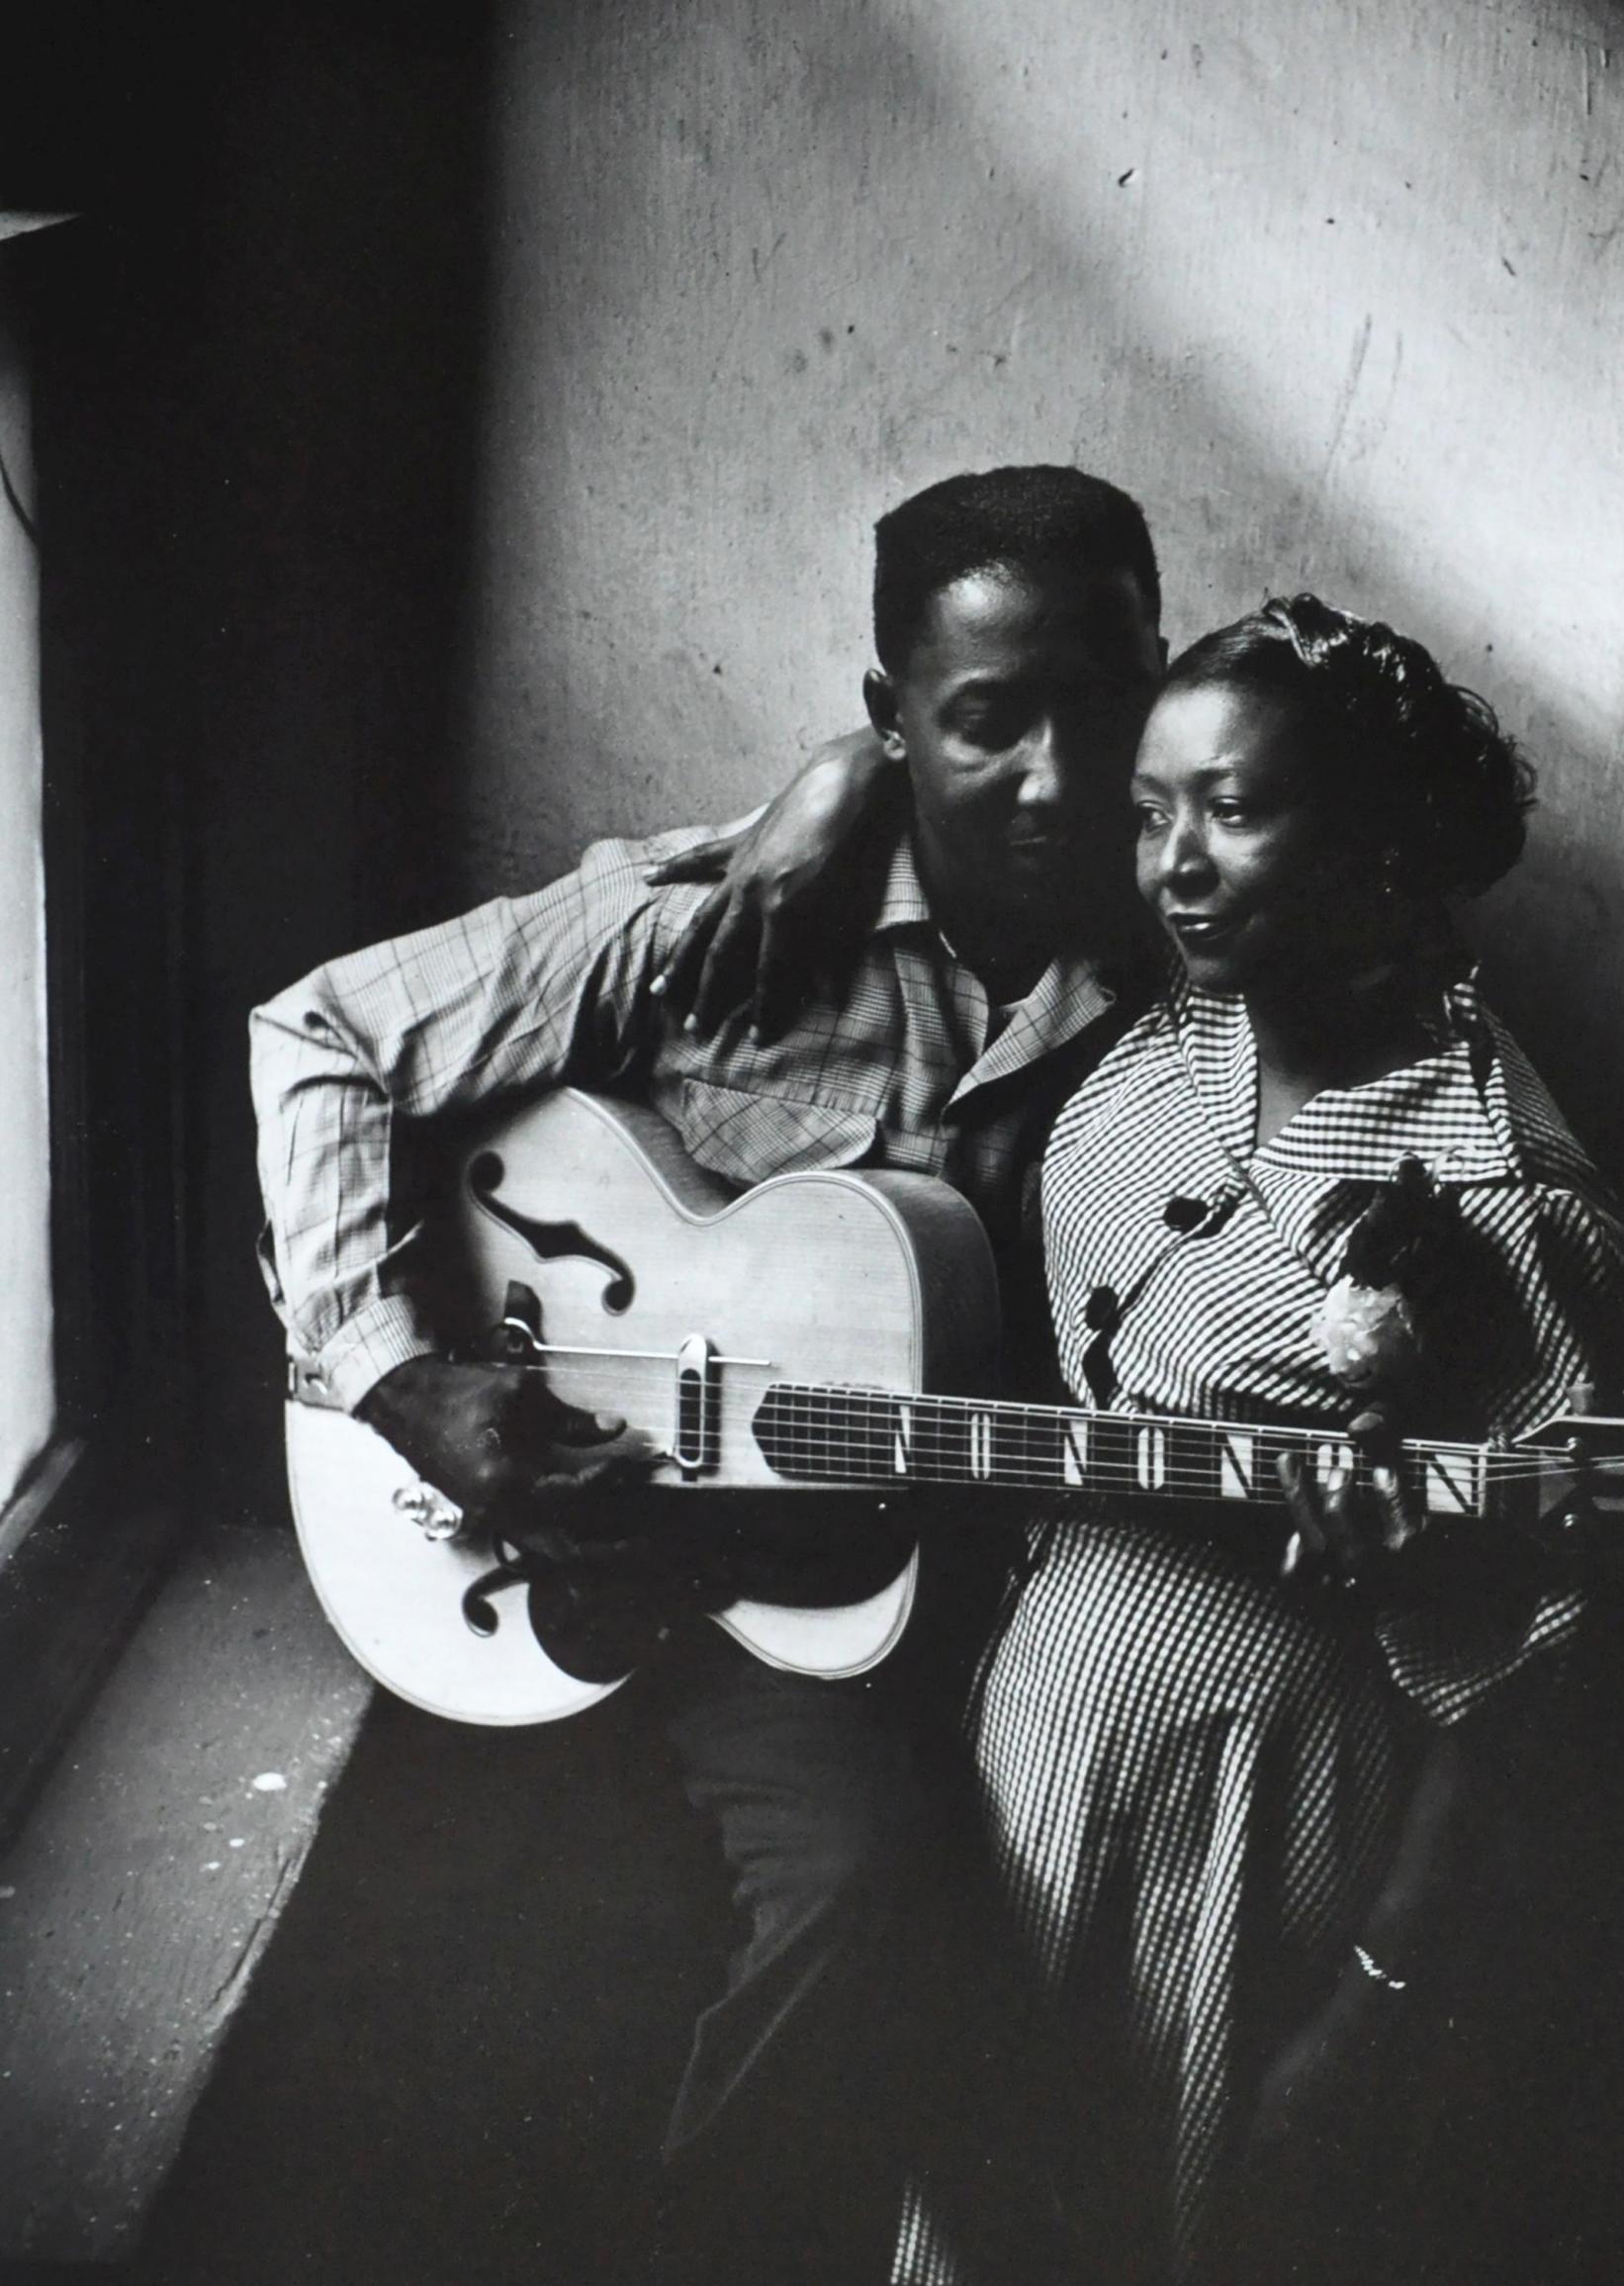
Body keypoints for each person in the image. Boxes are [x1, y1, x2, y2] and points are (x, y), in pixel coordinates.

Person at [248, 464, 1174, 2285]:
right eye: (986, 723)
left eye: (1109, 707)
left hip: (950, 1547)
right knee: (860, 1883)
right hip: (668, 1568)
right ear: (888, 721)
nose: (1059, 779)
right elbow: (317, 1035)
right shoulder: (717, 916)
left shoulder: (1196, 955)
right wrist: (404, 1378)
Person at [698, 595, 1624, 2282]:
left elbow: (1546, 1677)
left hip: (1254, 1826)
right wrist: (845, 772)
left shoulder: (1497, 1202)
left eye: (1236, 808)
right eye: (1152, 812)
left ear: (1370, 846)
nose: (1174, 863)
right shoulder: (1162, 1051)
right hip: (1029, 1775)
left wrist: (1376, 2005)